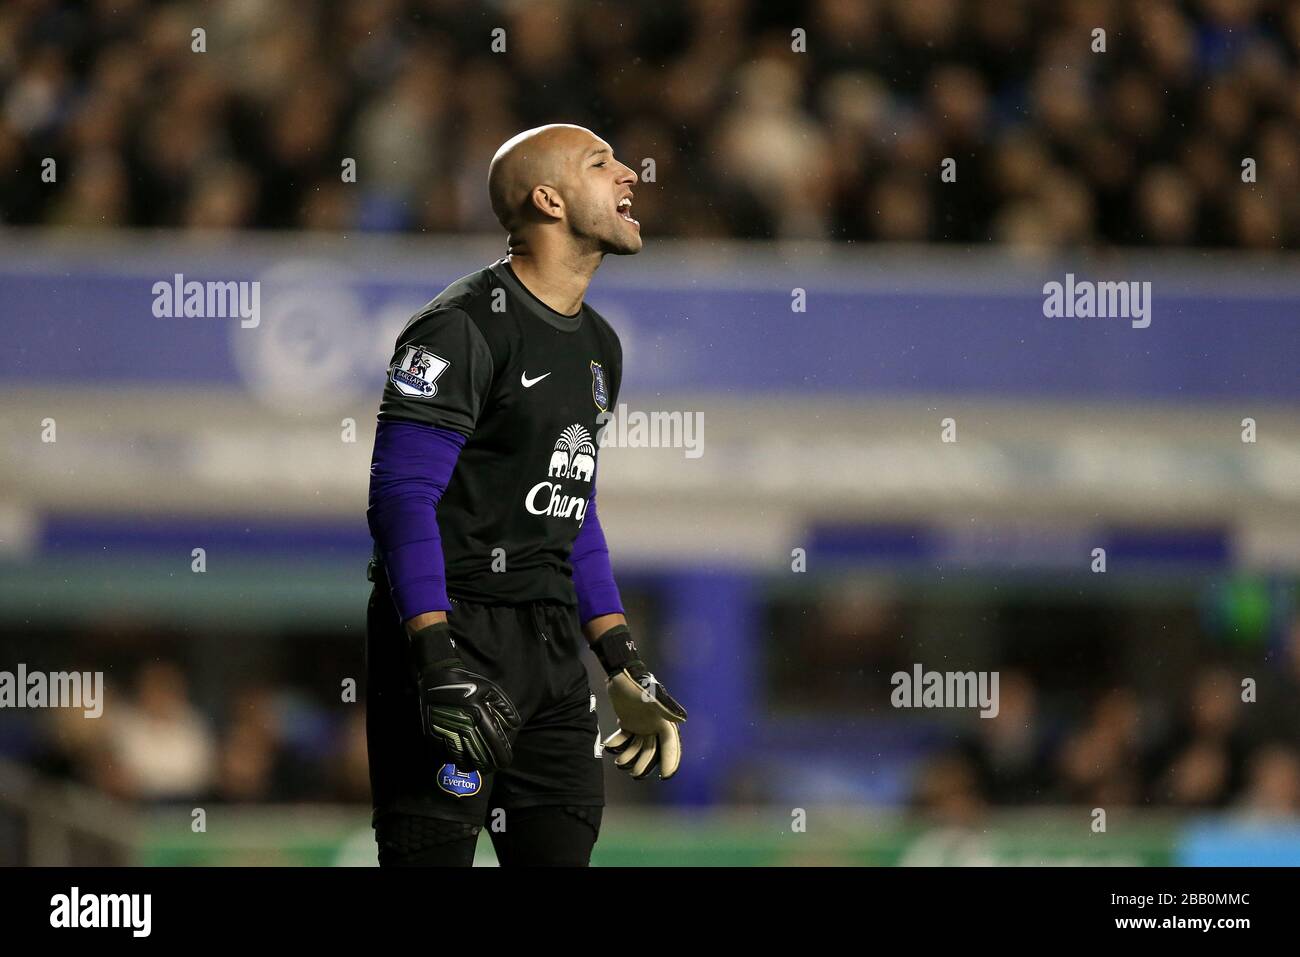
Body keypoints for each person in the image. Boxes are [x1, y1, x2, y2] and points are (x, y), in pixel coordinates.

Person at [365, 124, 687, 866]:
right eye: (602, 163)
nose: (632, 174)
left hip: (550, 653)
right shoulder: (460, 327)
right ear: (547, 198)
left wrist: (621, 661)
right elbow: (400, 498)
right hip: (451, 636)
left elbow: (573, 508)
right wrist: (436, 658)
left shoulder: (600, 346)